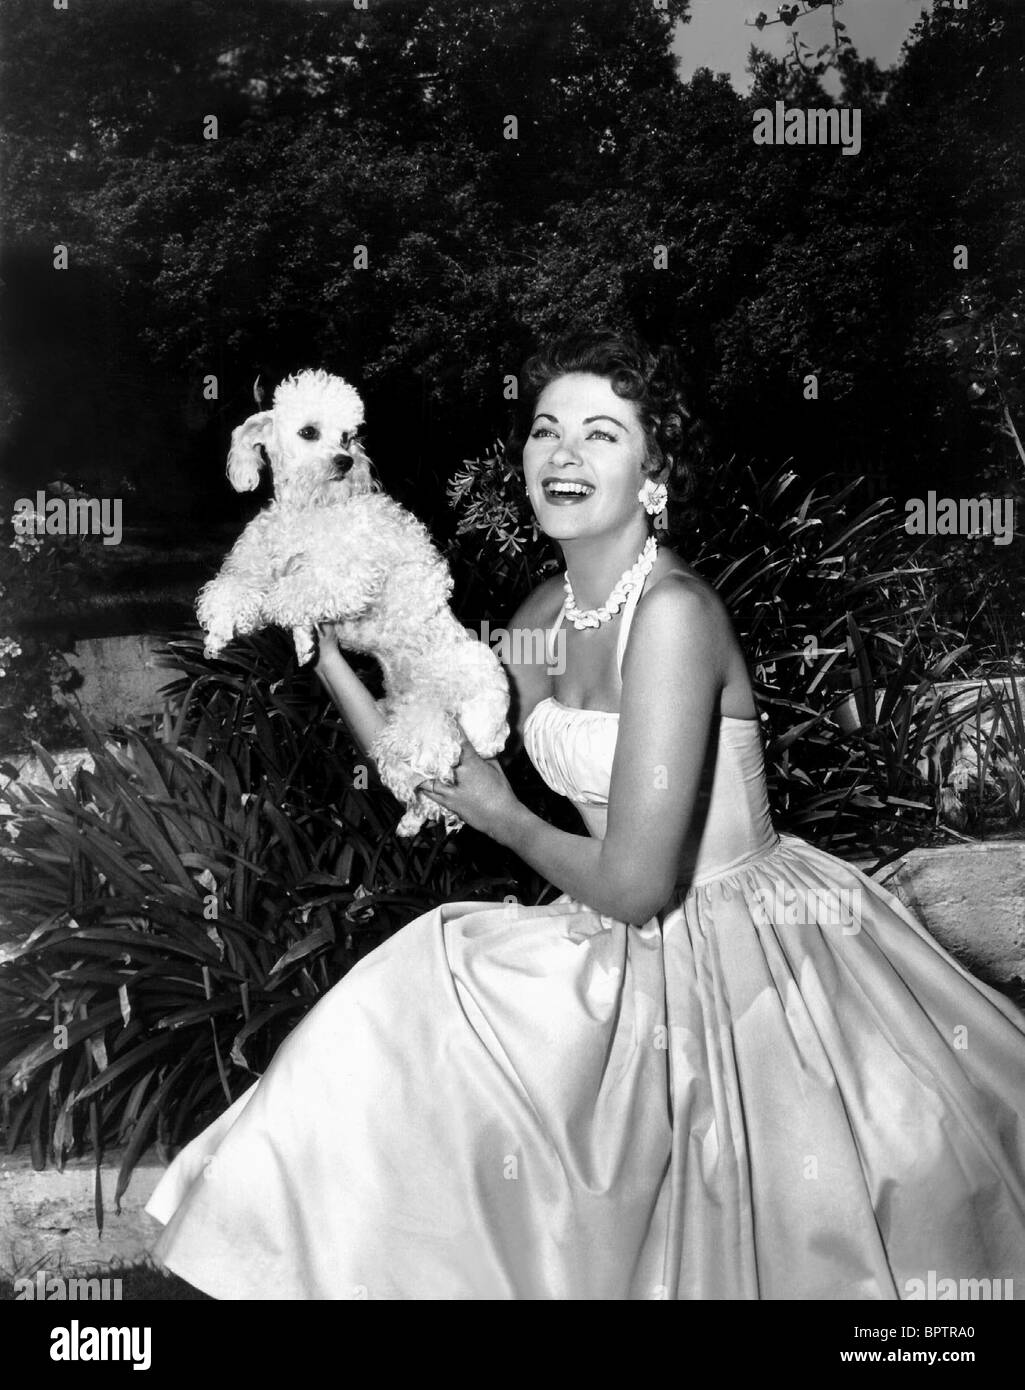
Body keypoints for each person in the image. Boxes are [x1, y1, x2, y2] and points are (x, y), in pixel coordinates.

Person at [146, 327, 1025, 1300]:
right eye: (544, 430)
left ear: (652, 476)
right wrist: (328, 650)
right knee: (388, 1015)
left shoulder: (676, 616)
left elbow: (640, 878)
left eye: (598, 434)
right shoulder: (533, 620)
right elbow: (428, 757)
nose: (560, 453)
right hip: (610, 933)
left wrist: (505, 818)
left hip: (741, 941)